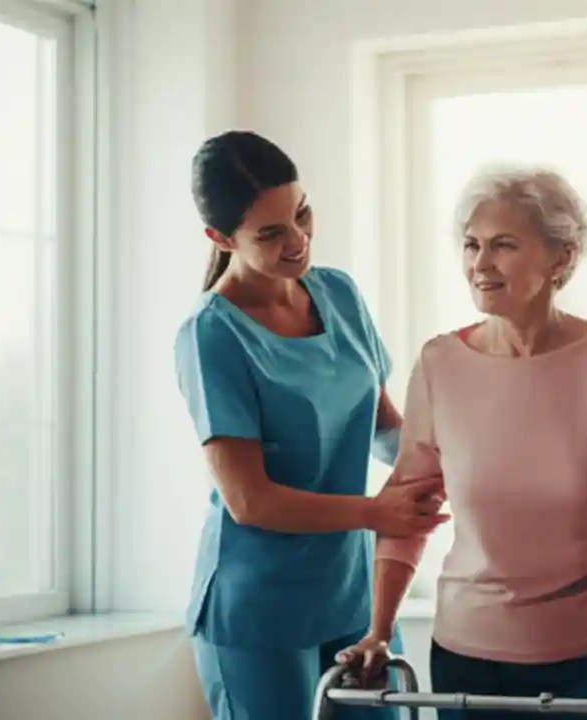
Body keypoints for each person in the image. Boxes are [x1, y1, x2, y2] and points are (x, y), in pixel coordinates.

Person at [336, 166, 587, 720]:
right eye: (471, 245)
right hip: (466, 656)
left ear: (563, 257)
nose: (480, 264)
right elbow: (408, 505)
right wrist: (379, 631)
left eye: (503, 245)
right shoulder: (440, 363)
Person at [174, 130, 448, 720]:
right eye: (271, 233)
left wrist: (457, 460)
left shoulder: (339, 293)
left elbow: (381, 428)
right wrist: (377, 513)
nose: (298, 241)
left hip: (351, 595)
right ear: (220, 238)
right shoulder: (211, 333)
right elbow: (249, 500)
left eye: (301, 214)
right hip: (256, 608)